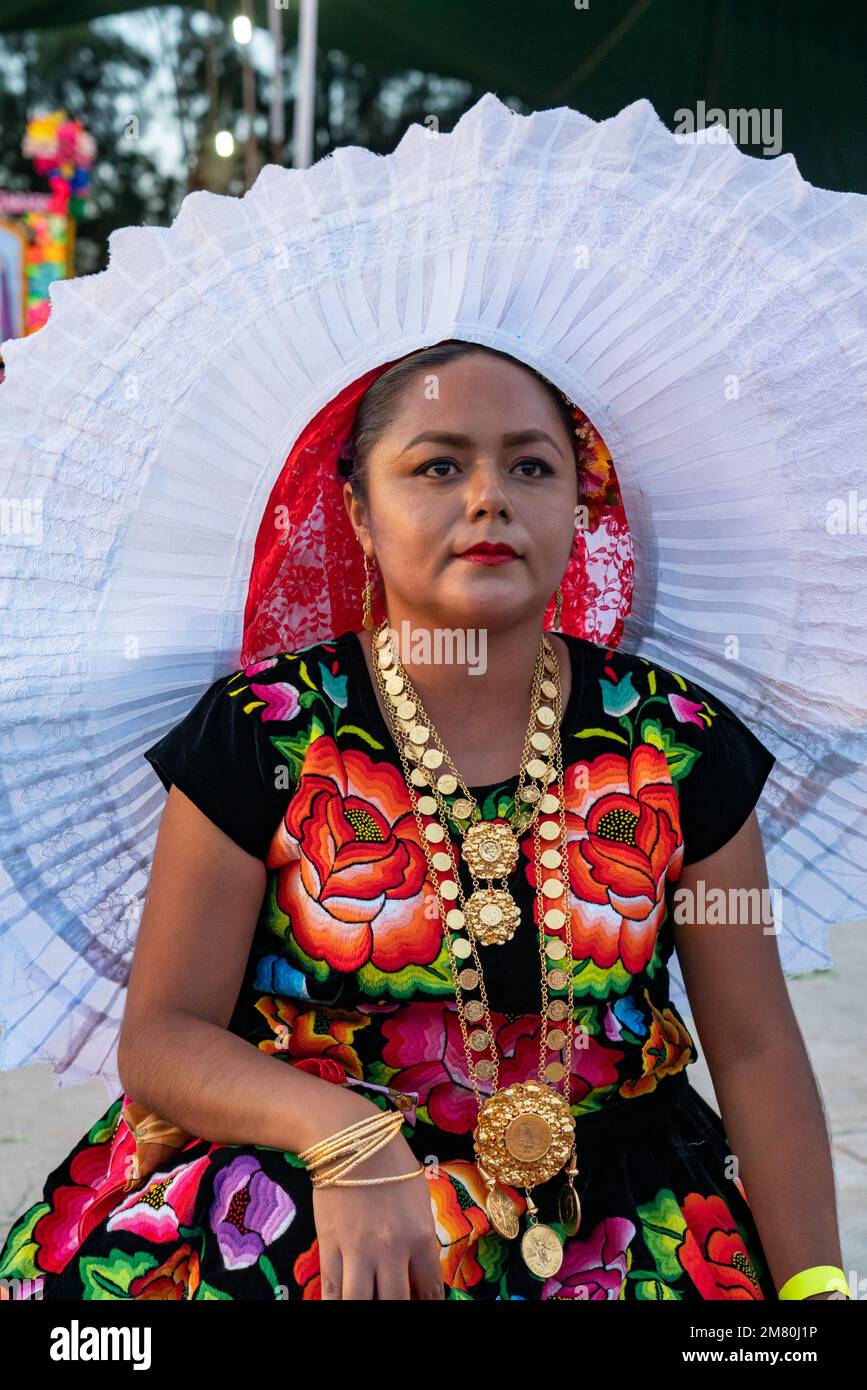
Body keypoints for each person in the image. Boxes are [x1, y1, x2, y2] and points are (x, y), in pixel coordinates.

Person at [0, 340, 849, 1301]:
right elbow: (161, 1041)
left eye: (531, 465)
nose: (487, 497)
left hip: (626, 1219)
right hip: (306, 1203)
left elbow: (754, 1047)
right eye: (437, 465)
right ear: (359, 513)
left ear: (577, 510)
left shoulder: (679, 741)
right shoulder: (264, 734)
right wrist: (341, 1138)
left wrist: (815, 1288)